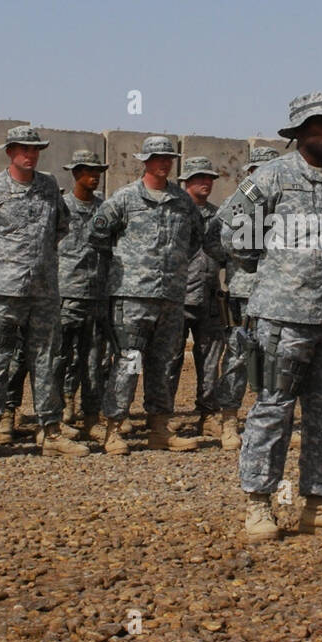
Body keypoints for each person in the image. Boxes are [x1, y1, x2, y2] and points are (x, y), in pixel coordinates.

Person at [219, 91, 322, 542]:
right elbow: (231, 228)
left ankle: (319, 504)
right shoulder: (272, 178)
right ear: (298, 133)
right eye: (320, 125)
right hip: (280, 317)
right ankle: (258, 506)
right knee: (272, 408)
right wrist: (271, 267)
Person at [0, 125, 78, 459]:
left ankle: (50, 432)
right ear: (10, 152)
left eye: (35, 149)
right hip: (3, 289)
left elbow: (61, 226)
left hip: (43, 291)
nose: (30, 154)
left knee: (46, 360)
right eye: (23, 149)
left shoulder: (49, 186)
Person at [89, 135, 216, 453]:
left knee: (163, 364)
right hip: (132, 297)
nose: (163, 162)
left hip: (171, 299)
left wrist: (170, 269)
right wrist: (129, 267)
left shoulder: (182, 202)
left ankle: (158, 429)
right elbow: (98, 235)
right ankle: (114, 429)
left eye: (168, 157)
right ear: (144, 161)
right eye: (157, 157)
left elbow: (194, 241)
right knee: (129, 362)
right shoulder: (124, 199)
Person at [215, 145, 280, 449]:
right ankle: (229, 421)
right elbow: (220, 243)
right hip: (245, 293)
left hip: (279, 294)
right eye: (260, 172)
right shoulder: (236, 204)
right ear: (252, 174)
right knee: (239, 357)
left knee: (276, 359)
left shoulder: (285, 203)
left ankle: (268, 423)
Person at [166, 156, 228, 438]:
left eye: (210, 178)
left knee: (210, 358)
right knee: (170, 358)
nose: (206, 183)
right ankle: (163, 415)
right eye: (200, 178)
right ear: (187, 182)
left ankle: (208, 413)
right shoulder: (175, 211)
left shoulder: (219, 216)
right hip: (178, 297)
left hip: (210, 298)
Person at [55, 148, 111, 447]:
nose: (95, 176)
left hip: (97, 294)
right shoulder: (60, 207)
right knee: (60, 357)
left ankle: (92, 418)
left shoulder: (105, 209)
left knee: (94, 360)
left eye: (98, 170)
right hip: (66, 293)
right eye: (89, 170)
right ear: (75, 173)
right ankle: (59, 413)